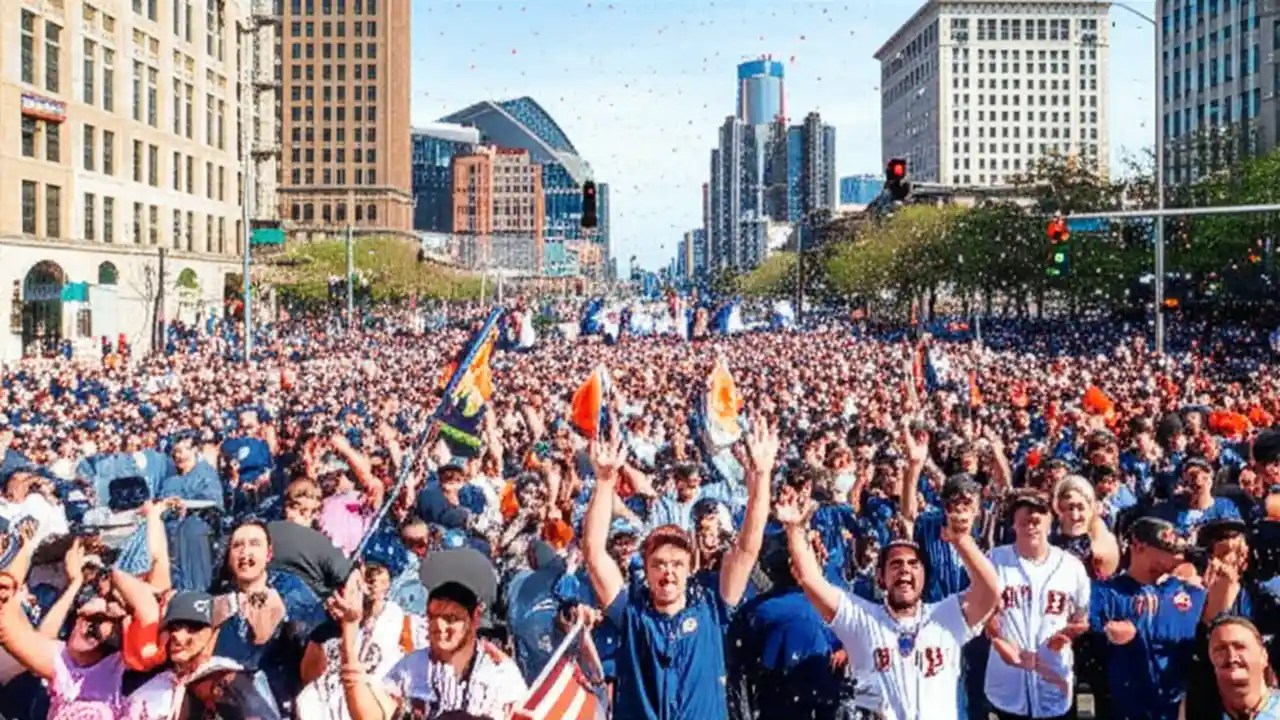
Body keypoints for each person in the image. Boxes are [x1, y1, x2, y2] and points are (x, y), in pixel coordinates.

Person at [582, 420, 778, 720]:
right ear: (646, 570)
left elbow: (747, 549)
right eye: (658, 564)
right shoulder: (633, 614)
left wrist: (762, 477)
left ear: (689, 568)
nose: (668, 572)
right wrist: (605, 481)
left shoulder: (713, 607)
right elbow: (595, 555)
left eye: (676, 564)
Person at [776, 470, 1001, 720]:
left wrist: (960, 540)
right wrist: (794, 529)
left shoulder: (945, 616)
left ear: (924, 577)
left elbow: (990, 590)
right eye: (895, 565)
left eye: (913, 564)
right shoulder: (861, 618)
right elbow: (810, 579)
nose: (905, 569)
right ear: (881, 578)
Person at [338, 548, 527, 720]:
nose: (439, 627)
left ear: (475, 617)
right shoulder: (411, 668)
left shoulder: (501, 675)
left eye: (451, 618)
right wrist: (349, 630)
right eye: (433, 616)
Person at [984, 490, 1091, 720]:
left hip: (1054, 676)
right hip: (1009, 678)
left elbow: (1081, 620)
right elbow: (983, 612)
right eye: (1024, 518)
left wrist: (1065, 636)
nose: (1031, 523)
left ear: (1050, 522)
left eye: (1038, 517)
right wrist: (998, 637)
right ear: (1014, 524)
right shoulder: (995, 560)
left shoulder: (1072, 567)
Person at [1192, 616, 1280, 719]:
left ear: (1263, 656)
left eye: (1240, 646)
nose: (1231, 656)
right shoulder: (1195, 709)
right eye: (1220, 649)